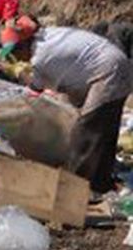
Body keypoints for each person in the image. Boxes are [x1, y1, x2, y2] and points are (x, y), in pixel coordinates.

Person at [7, 18, 133, 193]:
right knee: (105, 129)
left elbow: (38, 87)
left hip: (109, 71)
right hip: (114, 64)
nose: (17, 58)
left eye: (14, 53)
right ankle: (100, 182)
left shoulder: (41, 57)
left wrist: (19, 73)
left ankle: (76, 187)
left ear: (23, 45)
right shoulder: (49, 35)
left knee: (87, 130)